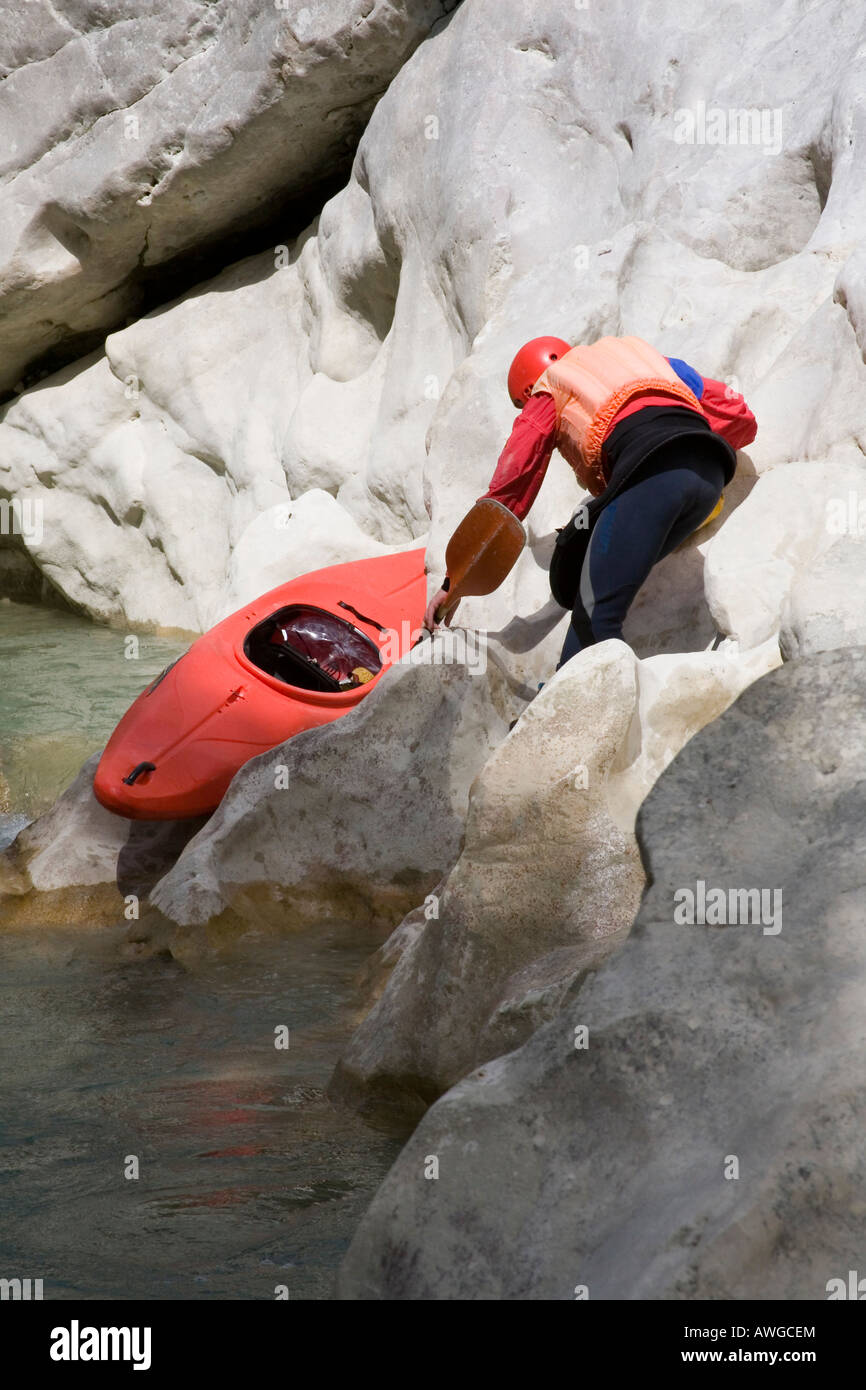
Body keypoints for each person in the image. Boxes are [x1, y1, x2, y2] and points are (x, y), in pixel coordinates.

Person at [424, 335, 756, 666]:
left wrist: (454, 583)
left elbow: (512, 484)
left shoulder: (551, 385)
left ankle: (557, 715)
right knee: (600, 597)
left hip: (651, 475)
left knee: (596, 617)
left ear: (529, 389)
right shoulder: (651, 361)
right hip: (710, 475)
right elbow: (738, 414)